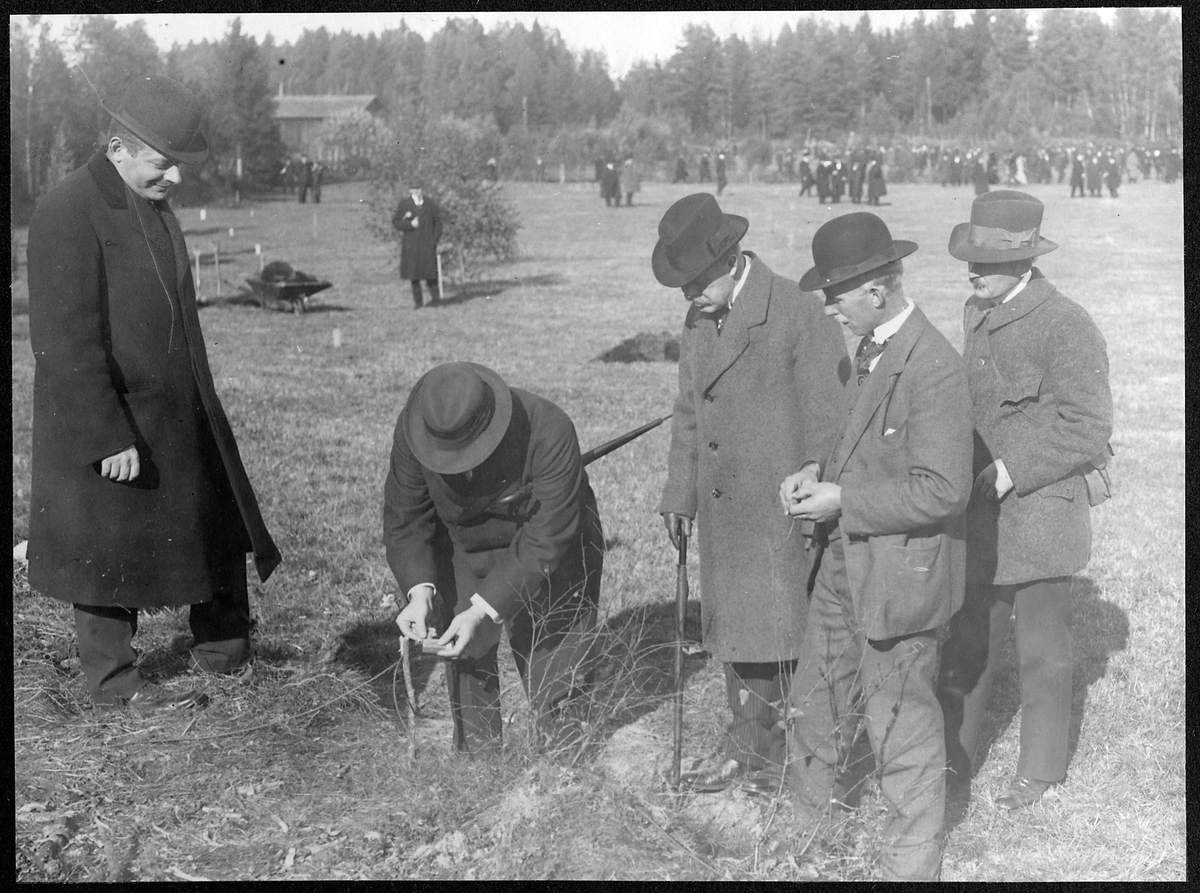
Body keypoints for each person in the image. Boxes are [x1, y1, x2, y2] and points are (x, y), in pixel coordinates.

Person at [25, 75, 281, 709]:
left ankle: (226, 655)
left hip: (177, 409)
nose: (176, 177)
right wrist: (106, 434)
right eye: (163, 163)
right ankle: (113, 687)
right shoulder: (65, 211)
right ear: (119, 147)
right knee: (104, 549)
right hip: (110, 419)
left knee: (213, 525)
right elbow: (64, 340)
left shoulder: (153, 207)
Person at [779, 212, 973, 880]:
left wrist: (845, 502)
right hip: (840, 561)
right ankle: (806, 831)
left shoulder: (935, 366)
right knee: (816, 698)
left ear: (877, 292)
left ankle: (911, 863)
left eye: (835, 298)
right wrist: (817, 473)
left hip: (899, 576)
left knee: (902, 724)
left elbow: (944, 489)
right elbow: (857, 441)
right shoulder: (866, 350)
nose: (830, 311)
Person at [653, 194, 850, 794]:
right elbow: (689, 412)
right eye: (681, 286)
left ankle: (795, 759)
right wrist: (679, 492)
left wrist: (816, 477)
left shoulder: (795, 312)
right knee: (739, 634)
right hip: (721, 511)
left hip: (780, 510)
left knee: (783, 633)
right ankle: (750, 751)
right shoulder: (698, 321)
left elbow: (830, 415)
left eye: (694, 282)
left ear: (730, 258)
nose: (689, 296)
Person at [937, 191, 1113, 810]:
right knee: (970, 640)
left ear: (1025, 261)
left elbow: (1089, 425)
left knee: (1043, 651)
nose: (972, 270)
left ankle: (1040, 770)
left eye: (985, 260)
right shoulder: (976, 310)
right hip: (982, 512)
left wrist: (1015, 467)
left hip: (1042, 512)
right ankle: (953, 761)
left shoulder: (1067, 323)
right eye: (970, 259)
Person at [385, 362, 605, 753]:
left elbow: (546, 540)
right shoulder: (415, 431)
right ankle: (479, 767)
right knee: (464, 648)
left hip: (550, 548)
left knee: (555, 660)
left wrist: (485, 607)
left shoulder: (549, 428)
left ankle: (565, 766)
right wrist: (418, 593)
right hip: (463, 545)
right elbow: (406, 519)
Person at [392, 183, 444, 309]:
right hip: (411, 245)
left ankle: (436, 301)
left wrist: (433, 241)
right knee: (413, 275)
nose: (417, 192)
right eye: (414, 189)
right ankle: (418, 303)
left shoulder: (430, 203)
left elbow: (438, 224)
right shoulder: (404, 204)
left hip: (427, 244)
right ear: (410, 191)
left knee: (430, 274)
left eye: (419, 189)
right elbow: (396, 222)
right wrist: (410, 225)